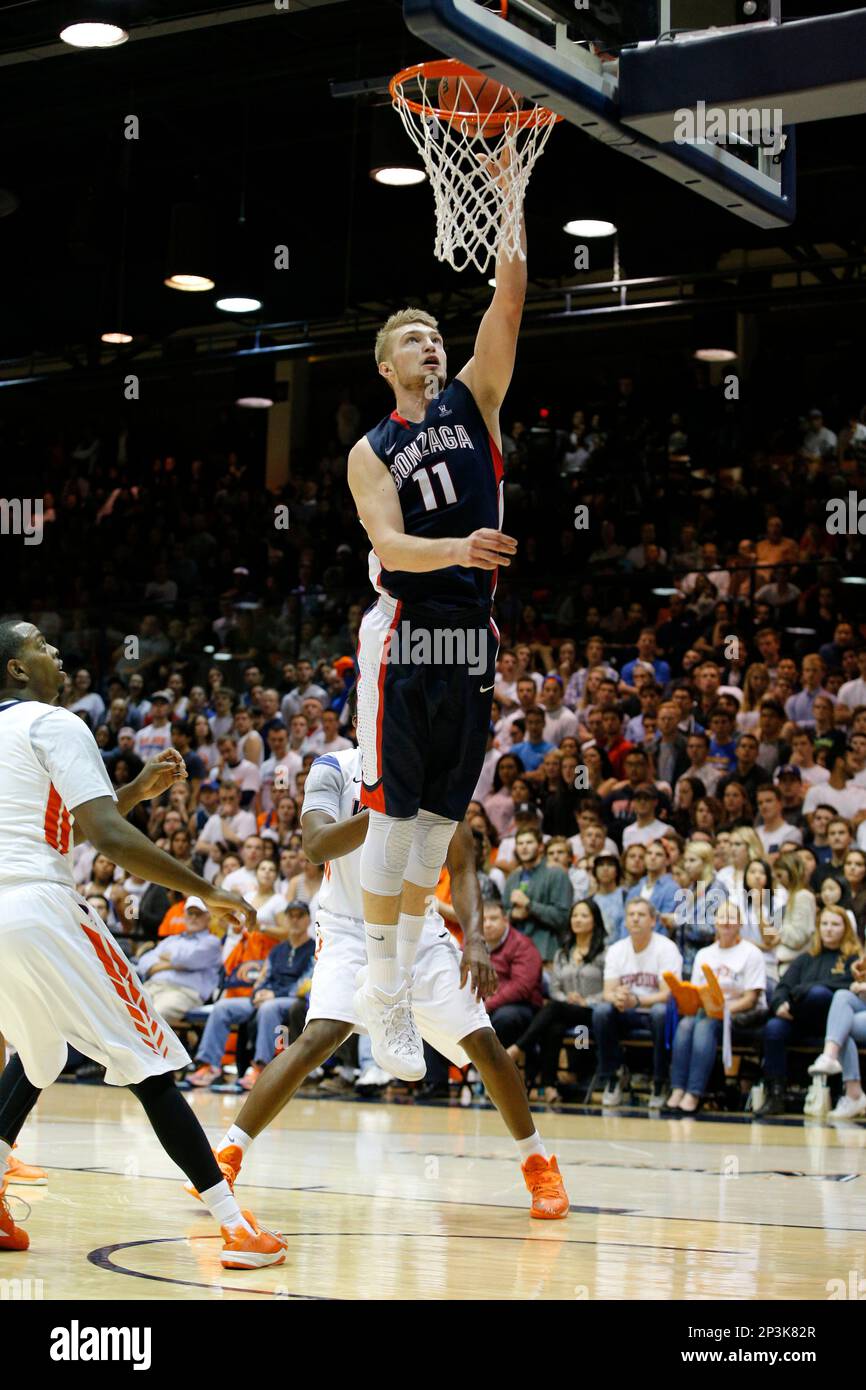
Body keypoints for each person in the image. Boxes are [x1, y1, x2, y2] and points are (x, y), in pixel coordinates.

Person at [0, 620, 285, 1267]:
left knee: (40, 1055)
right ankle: (234, 1227)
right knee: (148, 1056)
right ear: (16, 669)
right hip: (44, 910)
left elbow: (57, 829)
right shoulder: (55, 722)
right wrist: (206, 889)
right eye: (40, 645)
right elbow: (105, 838)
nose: (55, 651)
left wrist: (131, 793)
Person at [205, 744, 569, 1220]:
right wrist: (385, 808)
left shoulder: (435, 771)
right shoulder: (333, 768)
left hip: (418, 929)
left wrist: (475, 937)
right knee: (319, 1035)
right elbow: (315, 845)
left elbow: (461, 866)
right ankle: (227, 1158)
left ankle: (539, 1164)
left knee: (482, 1040)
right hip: (348, 927)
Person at [348, 200, 527, 1082]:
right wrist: (460, 547)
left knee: (434, 831)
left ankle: (407, 981)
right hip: (407, 632)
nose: (432, 344)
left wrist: (511, 201)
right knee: (390, 821)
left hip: (472, 638)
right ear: (388, 365)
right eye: (414, 338)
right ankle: (384, 991)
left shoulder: (475, 402)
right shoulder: (371, 448)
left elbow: (510, 300)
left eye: (435, 334)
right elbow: (387, 546)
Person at [665, 901, 767, 1114]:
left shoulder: (751, 953)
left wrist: (725, 1010)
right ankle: (677, 1088)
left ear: (739, 923)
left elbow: (751, 998)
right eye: (722, 917)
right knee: (685, 1025)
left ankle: (694, 1092)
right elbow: (696, 990)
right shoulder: (704, 954)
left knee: (704, 1026)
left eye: (731, 918)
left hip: (740, 1016)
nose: (726, 922)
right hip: (707, 1012)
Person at [758, 906, 859, 1115]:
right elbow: (783, 987)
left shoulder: (853, 959)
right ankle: (776, 1092)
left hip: (830, 1023)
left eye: (835, 925)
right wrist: (779, 1004)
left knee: (819, 994)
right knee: (774, 1028)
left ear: (846, 929)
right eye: (824, 924)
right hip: (798, 1018)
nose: (829, 929)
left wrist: (800, 992)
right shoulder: (805, 959)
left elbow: (844, 986)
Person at [507, 898, 606, 1102]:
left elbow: (610, 988)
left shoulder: (605, 953)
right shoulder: (563, 953)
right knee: (554, 1026)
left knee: (553, 1010)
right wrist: (567, 998)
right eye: (575, 915)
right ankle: (549, 1086)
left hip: (592, 1012)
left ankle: (518, 1048)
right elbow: (554, 988)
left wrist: (586, 1000)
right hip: (565, 1010)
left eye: (584, 915)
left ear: (595, 921)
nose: (578, 920)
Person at [592, 897, 682, 1109]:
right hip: (628, 1013)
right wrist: (618, 997)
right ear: (625, 922)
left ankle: (660, 1080)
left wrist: (637, 1000)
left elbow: (669, 994)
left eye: (641, 915)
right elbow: (607, 992)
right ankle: (614, 1075)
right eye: (631, 915)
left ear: (653, 921)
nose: (635, 919)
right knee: (602, 1011)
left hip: (654, 1013)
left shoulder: (667, 948)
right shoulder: (616, 950)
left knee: (661, 1012)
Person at [136, 895, 222, 1025]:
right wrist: (178, 964)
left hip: (184, 992)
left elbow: (189, 960)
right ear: (184, 915)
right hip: (152, 986)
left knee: (156, 1016)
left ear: (208, 917)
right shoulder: (171, 940)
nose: (193, 918)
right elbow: (144, 963)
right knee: (124, 1011)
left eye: (198, 914)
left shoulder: (211, 942)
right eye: (190, 913)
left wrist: (164, 961)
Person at [503, 825, 572, 963]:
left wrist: (529, 905)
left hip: (545, 953)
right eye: (520, 843)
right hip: (514, 954)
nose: (524, 847)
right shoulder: (512, 878)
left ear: (540, 847)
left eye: (529, 842)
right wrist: (512, 915)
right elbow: (502, 915)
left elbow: (562, 918)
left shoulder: (556, 874)